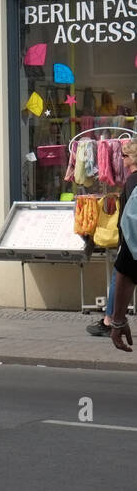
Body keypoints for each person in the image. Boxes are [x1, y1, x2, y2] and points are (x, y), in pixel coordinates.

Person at [89, 140, 136, 337]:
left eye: (124, 155)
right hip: (129, 239)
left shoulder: (133, 181)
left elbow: (130, 217)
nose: (121, 159)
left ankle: (111, 321)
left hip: (130, 241)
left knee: (121, 276)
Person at [104, 139, 137, 352]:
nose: (121, 159)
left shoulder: (133, 185)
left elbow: (126, 269)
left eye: (124, 155)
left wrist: (117, 320)